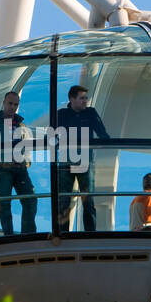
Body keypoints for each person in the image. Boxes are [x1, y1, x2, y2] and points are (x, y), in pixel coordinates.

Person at [55, 85, 110, 231]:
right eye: (82, 98)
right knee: (64, 200)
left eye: (86, 98)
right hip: (67, 162)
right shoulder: (61, 114)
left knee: (88, 200)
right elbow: (51, 137)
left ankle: (90, 233)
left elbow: (102, 134)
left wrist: (106, 141)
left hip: (84, 161)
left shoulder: (90, 113)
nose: (85, 101)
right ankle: (63, 233)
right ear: (72, 99)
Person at [0, 91, 37, 236]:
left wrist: (26, 162)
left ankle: (28, 235)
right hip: (2, 170)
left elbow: (27, 146)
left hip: (19, 168)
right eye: (10, 103)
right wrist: (4, 159)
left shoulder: (21, 125)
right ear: (4, 103)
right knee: (5, 203)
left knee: (30, 200)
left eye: (15, 104)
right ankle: (8, 235)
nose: (12, 107)